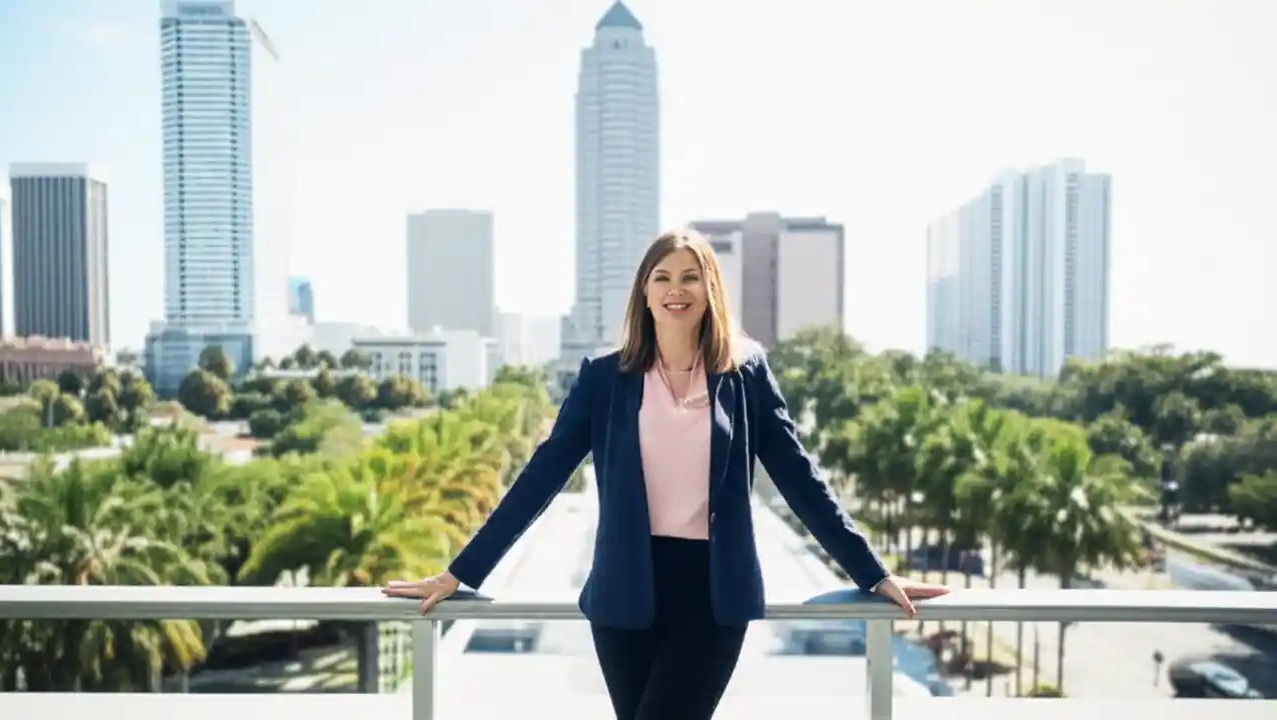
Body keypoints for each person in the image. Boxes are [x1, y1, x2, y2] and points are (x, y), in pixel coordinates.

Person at [383, 229, 949, 718]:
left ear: (710, 291)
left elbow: (799, 478)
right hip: (625, 593)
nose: (676, 289)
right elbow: (542, 476)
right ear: (645, 293)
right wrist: (462, 571)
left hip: (712, 594)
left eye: (690, 277)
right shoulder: (605, 378)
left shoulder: (745, 371)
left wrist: (872, 573)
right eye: (662, 278)